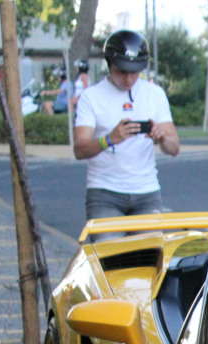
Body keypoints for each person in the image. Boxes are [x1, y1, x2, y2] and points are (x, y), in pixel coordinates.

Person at [73, 30, 180, 241]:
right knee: (110, 261)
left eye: (135, 72)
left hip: (146, 192)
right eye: (122, 72)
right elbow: (80, 149)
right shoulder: (90, 97)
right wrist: (109, 138)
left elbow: (174, 148)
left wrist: (162, 138)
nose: (129, 79)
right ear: (109, 64)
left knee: (148, 261)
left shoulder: (154, 94)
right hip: (104, 193)